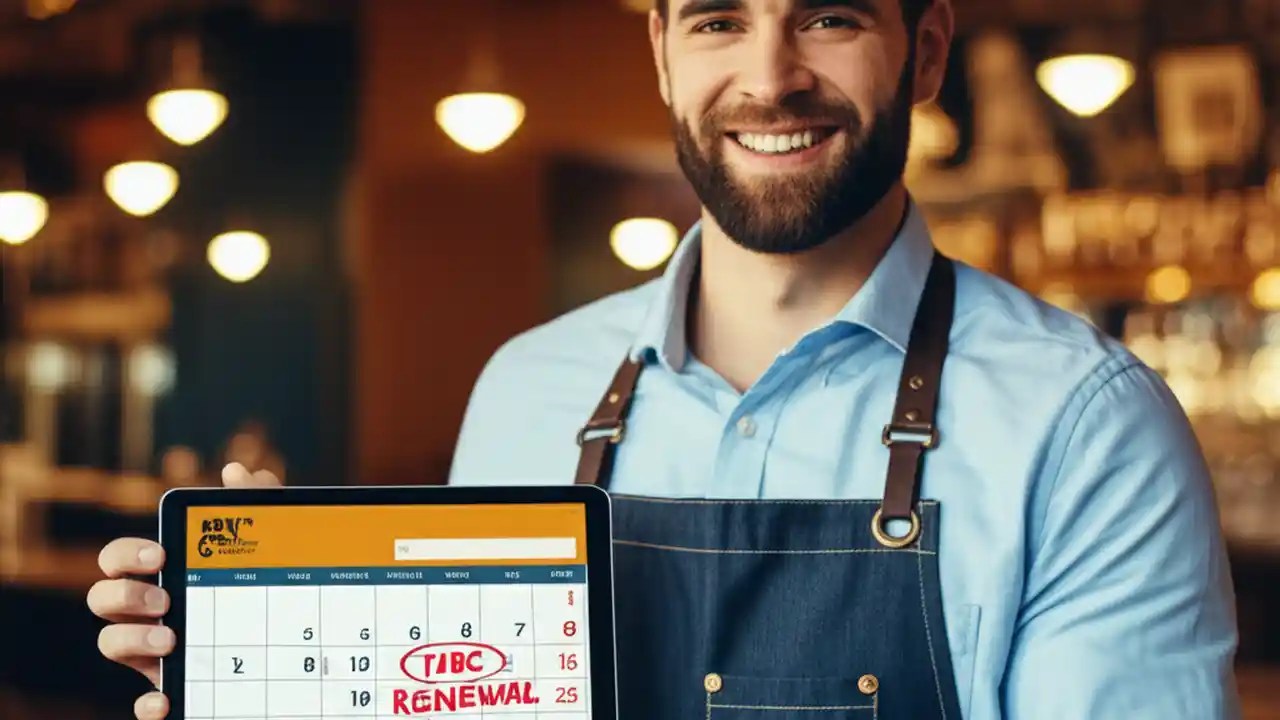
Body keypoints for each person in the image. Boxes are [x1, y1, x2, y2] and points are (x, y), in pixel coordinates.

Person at [88, 0, 1241, 717]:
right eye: (716, 19)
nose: (771, 73)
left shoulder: (1085, 428)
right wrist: (282, 680)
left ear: (924, 51)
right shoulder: (526, 391)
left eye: (829, 16)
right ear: (660, 52)